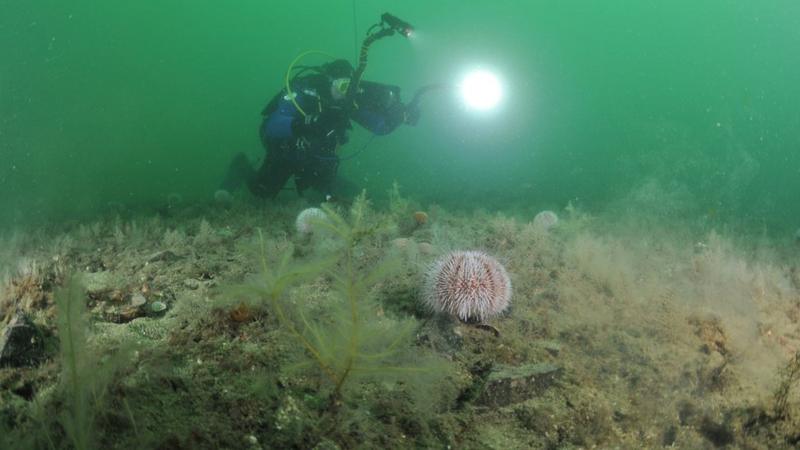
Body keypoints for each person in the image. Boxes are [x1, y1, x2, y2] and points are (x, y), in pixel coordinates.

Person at [220, 59, 420, 201]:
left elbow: (379, 127)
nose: (345, 93)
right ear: (328, 81)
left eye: (350, 86)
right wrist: (308, 123)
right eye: (341, 86)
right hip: (287, 150)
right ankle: (241, 165)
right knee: (262, 192)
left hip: (319, 157)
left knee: (344, 196)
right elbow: (272, 126)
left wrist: (400, 117)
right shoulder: (304, 91)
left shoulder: (347, 102)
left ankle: (323, 184)